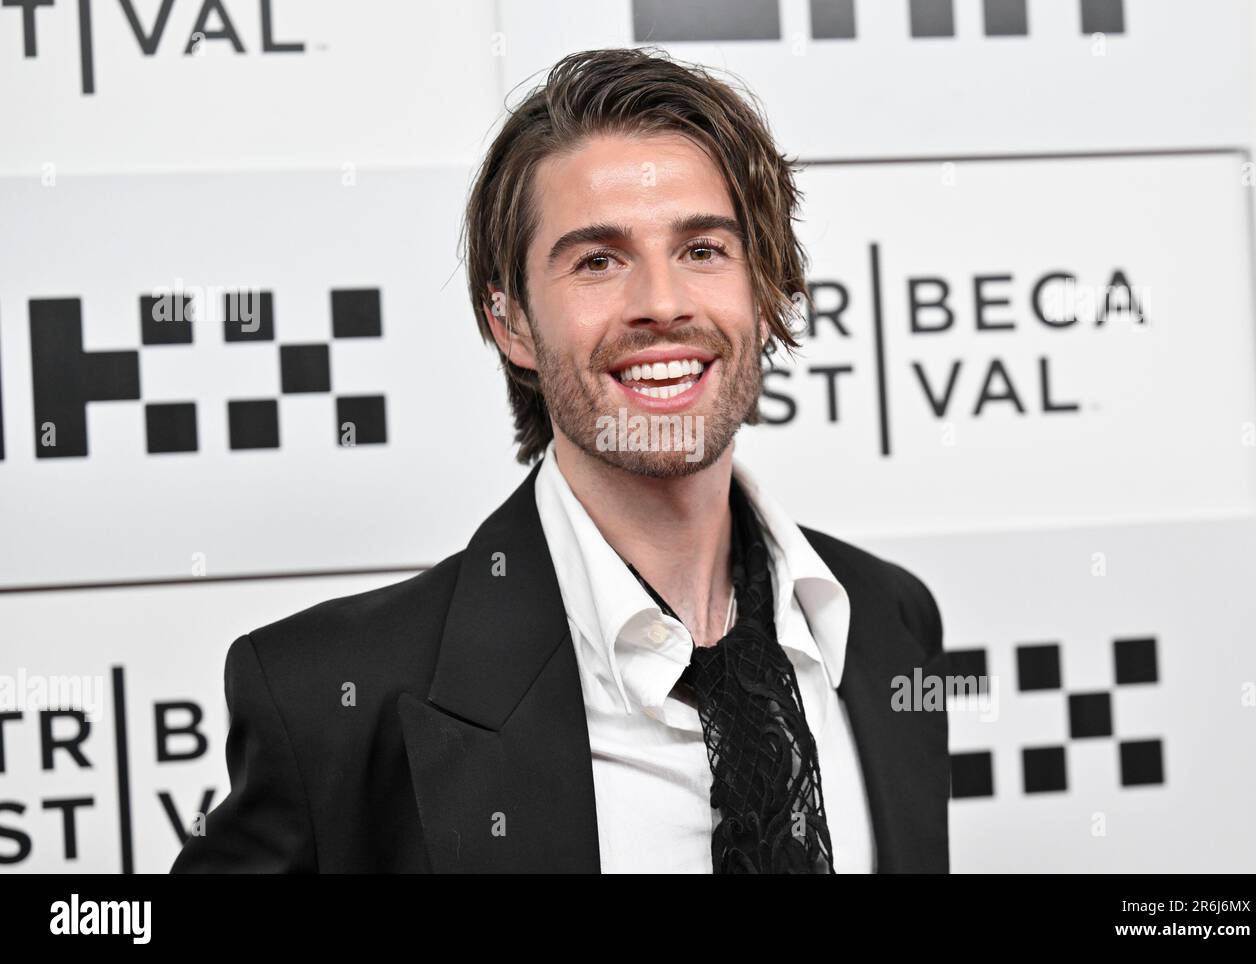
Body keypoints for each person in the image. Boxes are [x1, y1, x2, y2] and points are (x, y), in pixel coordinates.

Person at [171, 46, 949, 875]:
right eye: (598, 261)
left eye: (703, 250)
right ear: (510, 324)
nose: (661, 305)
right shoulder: (329, 695)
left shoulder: (885, 623)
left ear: (765, 295)